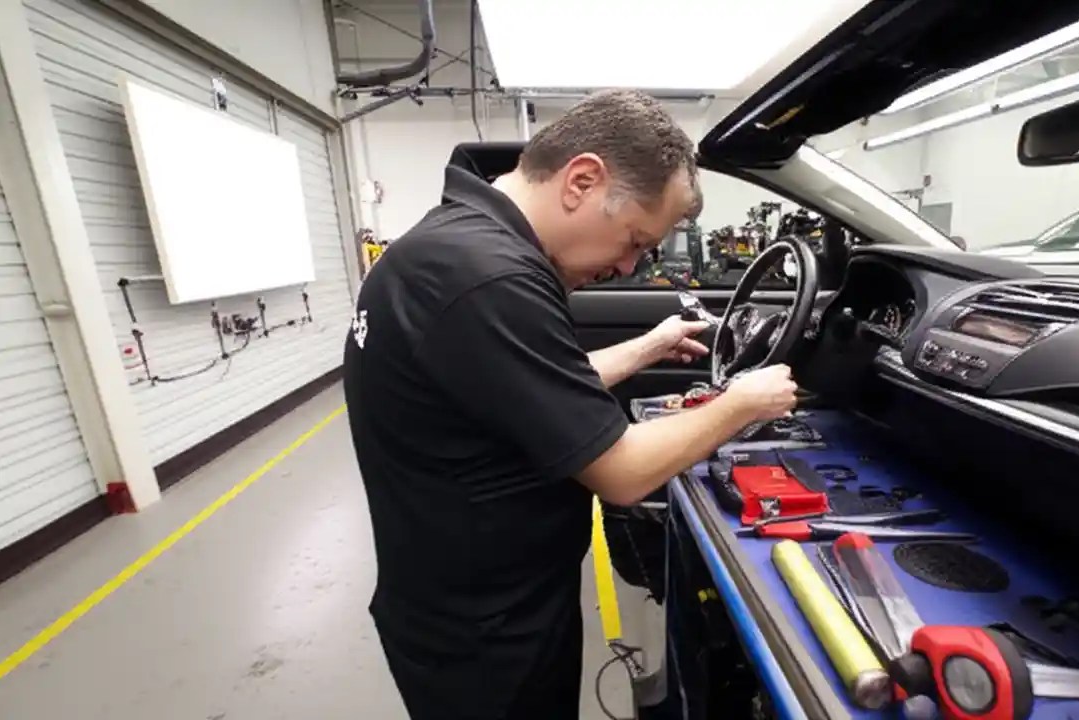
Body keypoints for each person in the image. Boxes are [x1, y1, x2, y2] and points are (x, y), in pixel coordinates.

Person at [342, 89, 798, 719]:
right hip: (487, 631)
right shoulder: (491, 276)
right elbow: (624, 471)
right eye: (635, 239)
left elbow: (527, 387)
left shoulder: (455, 245)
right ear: (582, 180)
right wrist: (743, 402)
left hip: (462, 596)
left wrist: (648, 347)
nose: (630, 265)